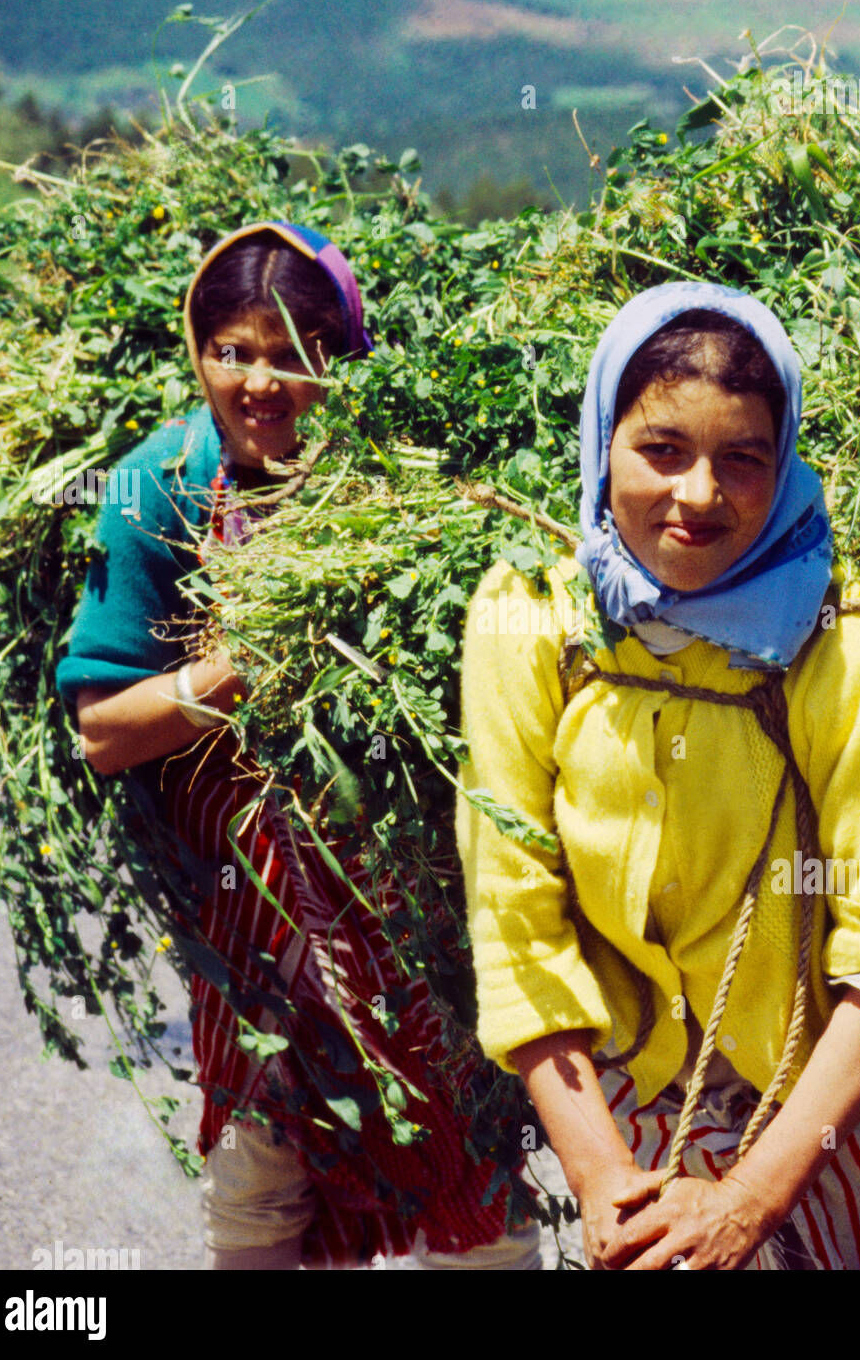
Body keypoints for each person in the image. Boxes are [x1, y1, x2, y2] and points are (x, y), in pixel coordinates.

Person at [456, 281, 860, 1271]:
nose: (697, 495)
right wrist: (605, 1182)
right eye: (659, 450)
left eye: (742, 459)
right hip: (639, 1106)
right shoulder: (527, 614)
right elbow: (514, 920)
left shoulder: (852, 636)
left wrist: (744, 1202)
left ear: (782, 467)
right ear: (599, 440)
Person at [57, 221, 539, 1270]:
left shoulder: (402, 483)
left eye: (293, 352)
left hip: (412, 919)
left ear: (343, 357)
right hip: (251, 921)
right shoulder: (159, 488)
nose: (260, 380)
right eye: (232, 349)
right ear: (197, 352)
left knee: (469, 1166)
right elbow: (100, 731)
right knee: (261, 1168)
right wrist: (224, 676)